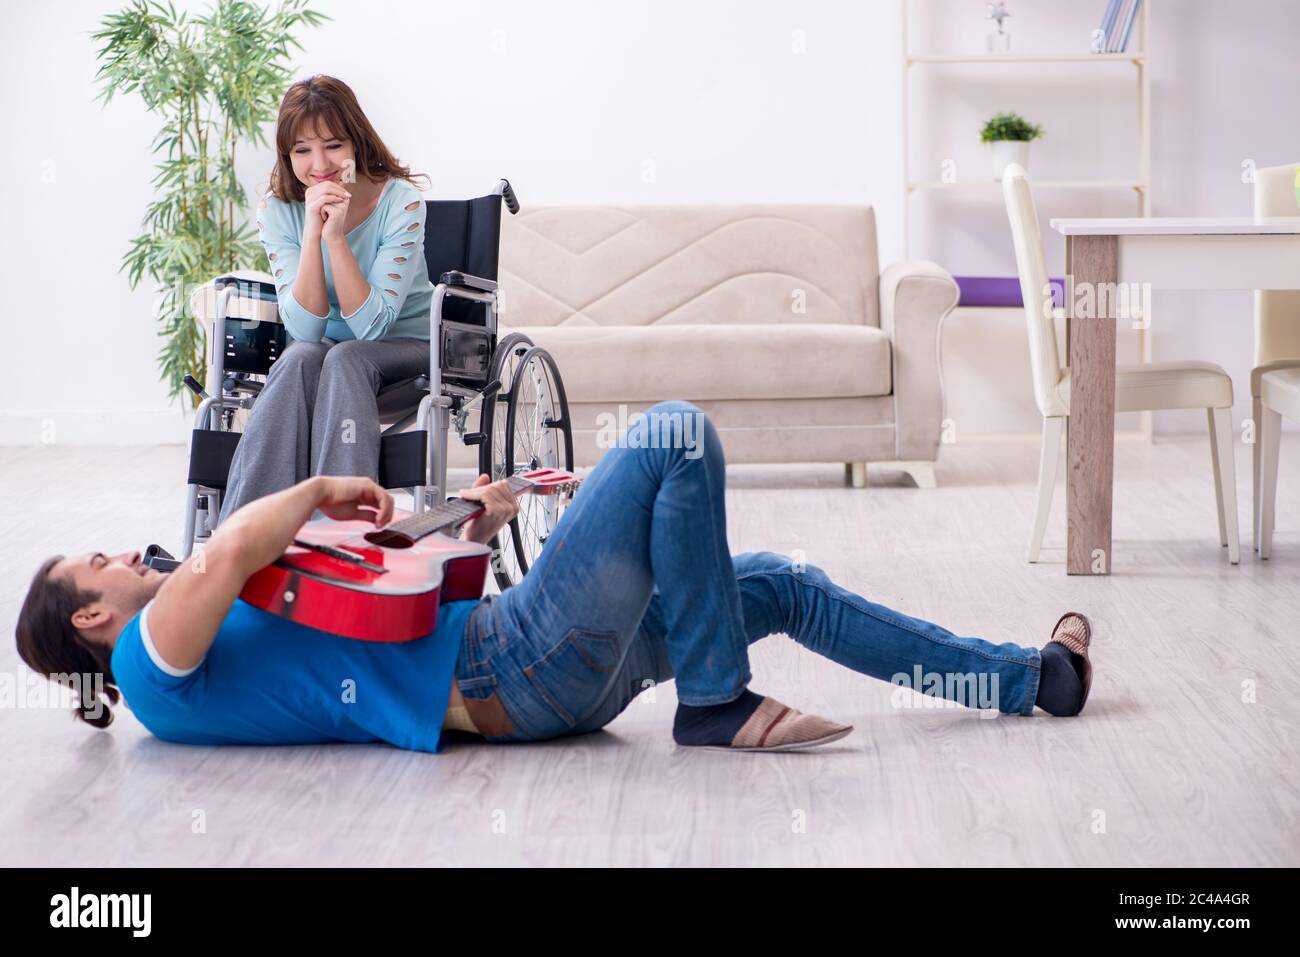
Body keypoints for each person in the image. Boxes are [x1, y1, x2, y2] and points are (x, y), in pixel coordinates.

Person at [15, 402, 1094, 754]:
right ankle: (715, 702)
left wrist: (471, 522)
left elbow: (383, 602)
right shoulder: (157, 673)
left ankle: (1026, 679)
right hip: (518, 664)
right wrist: (325, 482)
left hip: (543, 671)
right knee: (674, 435)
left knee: (780, 582)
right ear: (95, 615)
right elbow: (224, 550)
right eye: (99, 563)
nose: (124, 554)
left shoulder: (207, 649)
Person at [218, 75, 436, 523]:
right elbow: (305, 330)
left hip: (409, 350)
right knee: (299, 358)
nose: (319, 164)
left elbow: (373, 326)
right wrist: (313, 228)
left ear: (356, 142)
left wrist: (335, 237)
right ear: (287, 156)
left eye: (333, 145)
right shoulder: (278, 211)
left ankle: (341, 535)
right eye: (301, 150)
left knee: (345, 357)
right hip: (331, 357)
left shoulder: (402, 203)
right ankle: (246, 533)